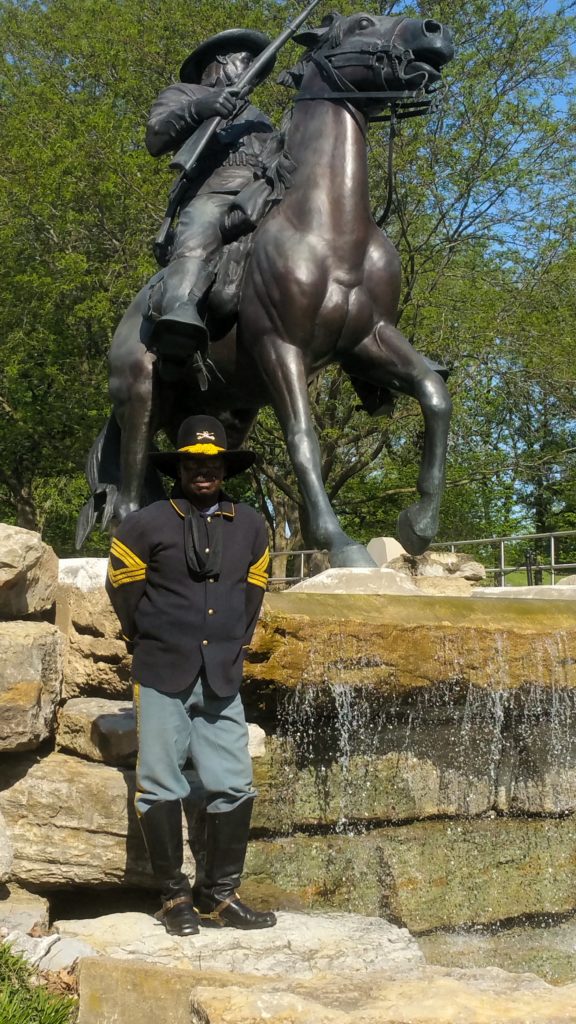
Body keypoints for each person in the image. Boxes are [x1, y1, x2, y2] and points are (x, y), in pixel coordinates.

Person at [105, 414, 276, 936]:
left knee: (235, 784)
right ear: (178, 467)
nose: (204, 470)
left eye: (213, 462)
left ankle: (221, 896)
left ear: (225, 467)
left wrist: (234, 641)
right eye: (194, 462)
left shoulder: (251, 525)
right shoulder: (145, 523)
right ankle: (174, 897)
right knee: (160, 783)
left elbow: (254, 591)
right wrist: (149, 637)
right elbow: (123, 591)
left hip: (221, 674)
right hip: (163, 670)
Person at [144, 30, 278, 379]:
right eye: (248, 61)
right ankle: (180, 316)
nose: (255, 72)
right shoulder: (184, 94)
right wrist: (199, 109)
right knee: (201, 227)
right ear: (222, 59)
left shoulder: (260, 117)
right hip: (214, 192)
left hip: (261, 196)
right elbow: (156, 138)